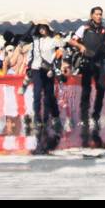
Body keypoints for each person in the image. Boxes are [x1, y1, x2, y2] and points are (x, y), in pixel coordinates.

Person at [69, 6, 105, 147]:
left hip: (100, 62)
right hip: (87, 62)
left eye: (101, 14)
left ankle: (96, 115)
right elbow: (72, 40)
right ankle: (84, 116)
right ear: (92, 15)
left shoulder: (104, 30)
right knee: (86, 90)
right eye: (97, 14)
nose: (99, 16)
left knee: (101, 89)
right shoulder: (84, 28)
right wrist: (80, 47)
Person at [27, 23, 62, 154]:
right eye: (40, 28)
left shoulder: (53, 40)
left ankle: (46, 117)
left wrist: (54, 68)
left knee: (48, 95)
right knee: (36, 94)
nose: (42, 30)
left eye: (44, 27)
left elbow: (61, 49)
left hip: (48, 69)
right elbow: (23, 39)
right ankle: (37, 117)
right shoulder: (36, 40)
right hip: (36, 69)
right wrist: (32, 26)